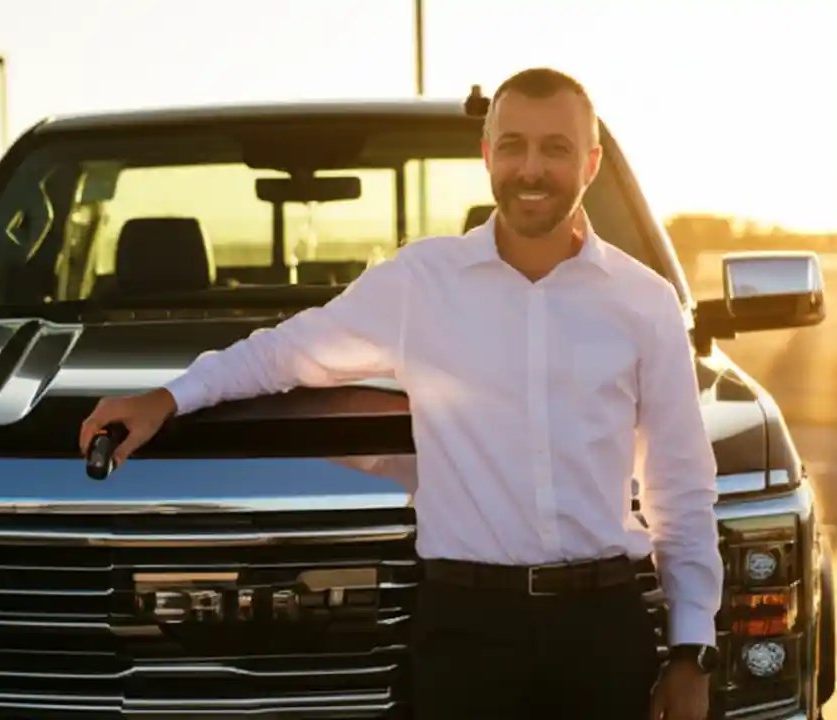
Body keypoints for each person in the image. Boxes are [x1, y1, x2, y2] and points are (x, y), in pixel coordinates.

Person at [79, 67, 722, 719]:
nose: (531, 169)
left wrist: (691, 651)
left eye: (555, 148)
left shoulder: (644, 302)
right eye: (513, 145)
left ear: (590, 163)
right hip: (467, 629)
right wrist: (169, 397)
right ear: (487, 155)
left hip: (603, 629)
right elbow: (285, 352)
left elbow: (681, 487)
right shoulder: (421, 283)